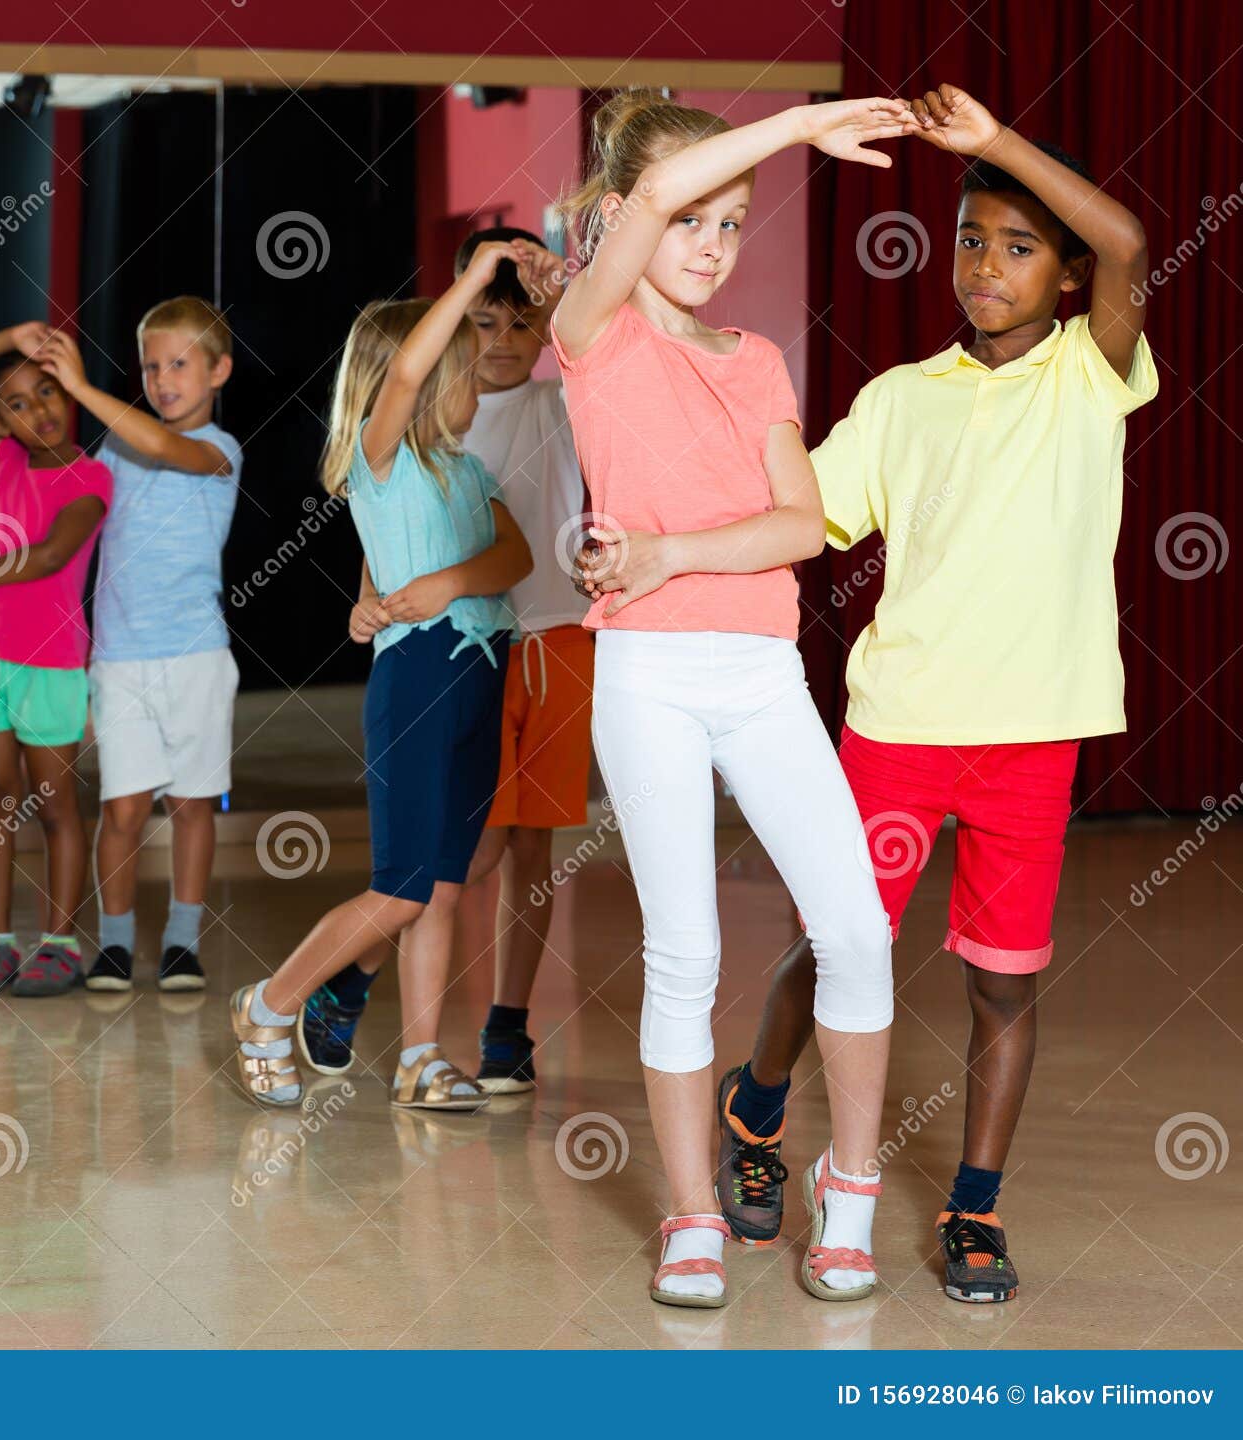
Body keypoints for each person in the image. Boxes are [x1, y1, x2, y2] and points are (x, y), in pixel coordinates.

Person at [694, 85, 1156, 1305]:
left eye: (1016, 247)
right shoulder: (900, 399)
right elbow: (801, 517)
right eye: (969, 240)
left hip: (1033, 740)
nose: (985, 266)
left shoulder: (1089, 375)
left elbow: (1129, 245)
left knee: (1003, 981)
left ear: (1062, 277)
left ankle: (972, 1208)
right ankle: (755, 1114)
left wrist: (994, 143)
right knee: (839, 943)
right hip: (898, 731)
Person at [555, 88, 914, 1306]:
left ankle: (849, 1195)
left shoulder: (755, 361)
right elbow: (649, 190)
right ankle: (692, 1216)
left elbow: (802, 524)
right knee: (685, 951)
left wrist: (666, 553)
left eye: (732, 223)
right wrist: (800, 128)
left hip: (760, 674)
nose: (710, 243)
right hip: (648, 677)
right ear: (624, 222)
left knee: (856, 931)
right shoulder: (589, 333)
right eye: (690, 218)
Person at [228, 243, 534, 1112]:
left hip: (480, 672)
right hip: (420, 682)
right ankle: (269, 1005)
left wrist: (441, 581)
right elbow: (401, 374)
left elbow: (509, 554)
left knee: (440, 884)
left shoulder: (469, 472)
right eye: (467, 371)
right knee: (399, 889)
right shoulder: (381, 457)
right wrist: (473, 280)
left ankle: (420, 1058)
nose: (481, 386)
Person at [299, 229, 590, 1096]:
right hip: (452, 658)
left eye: (518, 323)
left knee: (516, 851)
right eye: (481, 327)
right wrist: (379, 594)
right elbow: (390, 516)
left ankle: (495, 1027)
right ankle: (350, 982)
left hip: (546, 641)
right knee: (460, 860)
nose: (499, 343)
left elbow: (503, 555)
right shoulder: (416, 430)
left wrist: (561, 287)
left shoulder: (540, 414)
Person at [33, 300, 241, 994]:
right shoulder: (113, 448)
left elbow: (159, 445)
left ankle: (183, 942)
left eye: (179, 363)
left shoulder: (219, 450)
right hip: (120, 658)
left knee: (192, 805)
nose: (162, 378)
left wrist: (82, 389)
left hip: (197, 657)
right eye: (151, 366)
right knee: (123, 808)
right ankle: (115, 944)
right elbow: (74, 512)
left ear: (219, 371)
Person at [0, 324, 111, 997]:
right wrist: (8, 336)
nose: (35, 410)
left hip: (50, 663)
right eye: (14, 402)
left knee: (55, 806)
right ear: (0, 418)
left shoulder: (90, 477)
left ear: (66, 391)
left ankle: (60, 944)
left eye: (45, 392)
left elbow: (49, 556)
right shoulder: (5, 460)